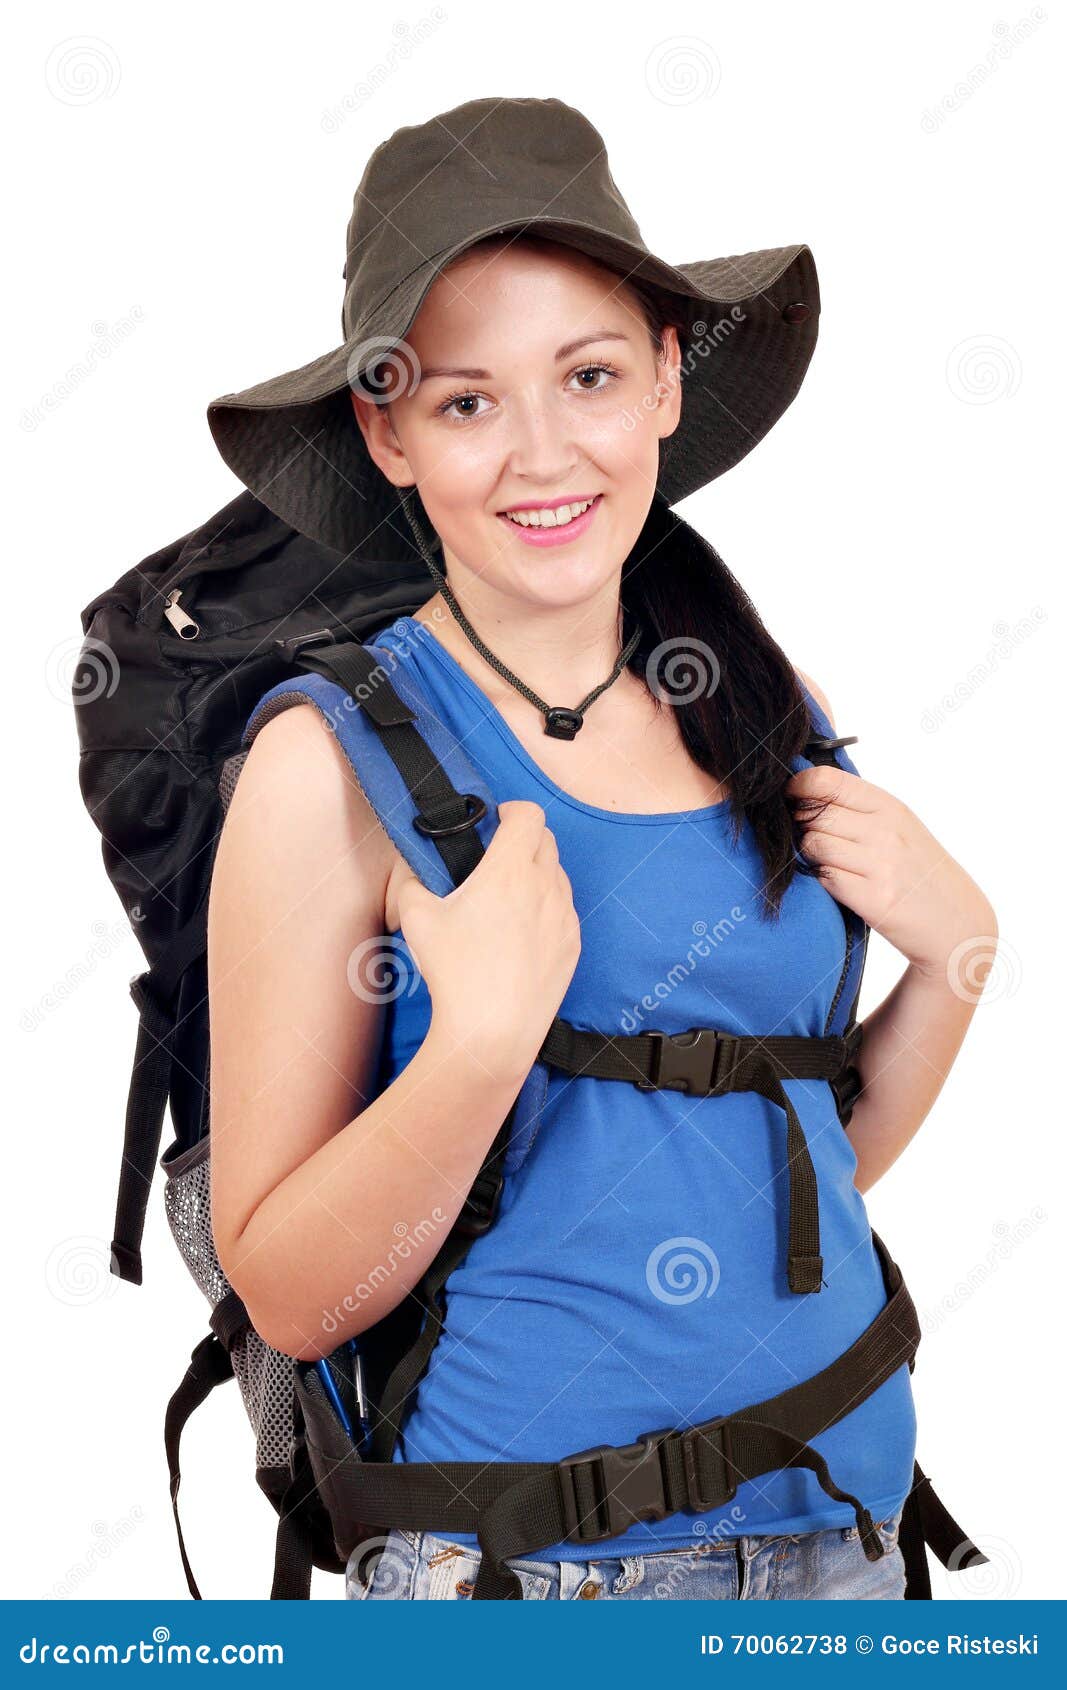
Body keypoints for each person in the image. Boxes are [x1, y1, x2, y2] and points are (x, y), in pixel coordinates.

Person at [205, 98, 997, 1601]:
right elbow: (297, 1296)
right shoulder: (331, 767)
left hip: (850, 1534)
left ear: (665, 382)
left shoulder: (767, 705)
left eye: (588, 376)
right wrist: (474, 1048)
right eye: (465, 401)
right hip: (528, 1583)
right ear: (386, 431)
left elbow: (781, 1168)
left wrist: (956, 963)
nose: (543, 451)